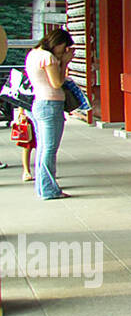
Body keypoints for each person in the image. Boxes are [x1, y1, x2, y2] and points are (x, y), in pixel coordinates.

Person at [25, 28, 74, 199]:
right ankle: (49, 189)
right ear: (58, 43)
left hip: (39, 102)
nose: (64, 51)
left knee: (43, 148)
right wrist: (65, 63)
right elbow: (56, 83)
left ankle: (42, 186)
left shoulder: (33, 54)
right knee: (50, 149)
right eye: (64, 47)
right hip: (51, 104)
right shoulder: (48, 58)